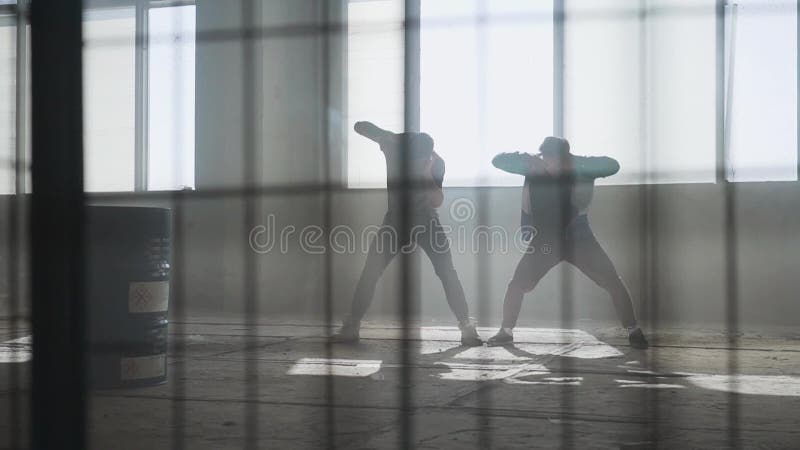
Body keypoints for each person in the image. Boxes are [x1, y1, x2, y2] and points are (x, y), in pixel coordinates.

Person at [488, 136, 648, 349]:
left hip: (579, 238)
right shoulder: (535, 168)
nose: (548, 164)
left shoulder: (578, 168)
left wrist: (579, 162)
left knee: (612, 281)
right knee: (517, 283)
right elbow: (498, 161)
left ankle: (633, 330)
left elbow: (613, 165)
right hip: (545, 240)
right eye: (545, 158)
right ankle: (505, 332)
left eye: (552, 159)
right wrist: (526, 158)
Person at [332, 121, 483, 346]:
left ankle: (466, 327)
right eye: (416, 160)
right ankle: (351, 326)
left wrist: (425, 172)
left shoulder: (436, 163)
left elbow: (437, 200)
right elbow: (359, 126)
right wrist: (387, 136)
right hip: (396, 220)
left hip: (426, 220)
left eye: (423, 160)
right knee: (371, 270)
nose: (418, 163)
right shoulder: (395, 149)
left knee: (447, 271)